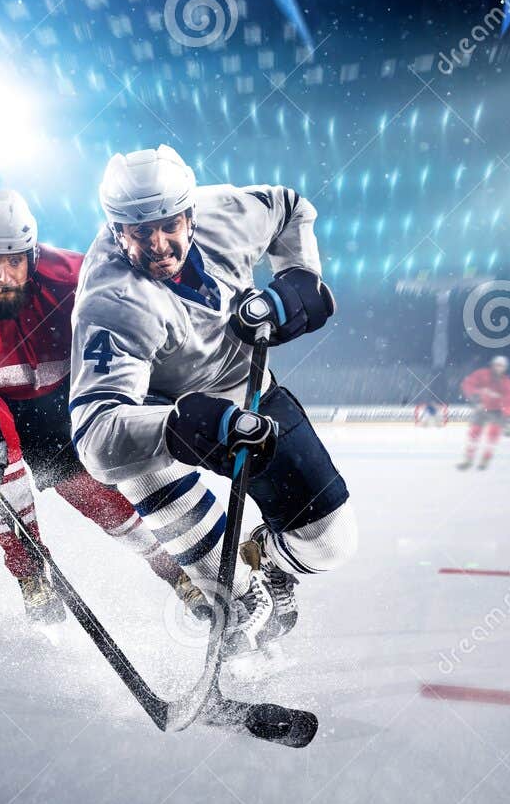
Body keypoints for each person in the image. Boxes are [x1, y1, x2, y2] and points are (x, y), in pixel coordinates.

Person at [68, 145, 357, 652]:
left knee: (332, 544)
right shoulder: (111, 301)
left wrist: (297, 276)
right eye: (140, 232)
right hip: (158, 414)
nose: (158, 245)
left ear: (191, 215)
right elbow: (96, 437)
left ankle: (264, 559)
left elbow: (291, 207)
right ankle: (233, 602)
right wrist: (175, 428)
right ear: (117, 231)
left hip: (246, 388)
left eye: (169, 226)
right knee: (229, 596)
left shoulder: (226, 211)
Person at [0, 189, 195, 626]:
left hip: (41, 384)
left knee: (87, 482)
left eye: (14, 261)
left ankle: (174, 568)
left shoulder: (75, 277)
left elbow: (145, 288)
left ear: (33, 257)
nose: (4, 277)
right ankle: (29, 568)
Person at [457, 355, 510, 470]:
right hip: (481, 408)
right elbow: (468, 384)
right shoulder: (481, 374)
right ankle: (468, 459)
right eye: (497, 365)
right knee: (474, 432)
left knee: (493, 434)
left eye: (501, 366)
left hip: (497, 412)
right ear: (492, 365)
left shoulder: (508, 383)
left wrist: (509, 420)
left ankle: (485, 459)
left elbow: (509, 402)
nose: (498, 368)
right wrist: (476, 398)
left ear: (505, 368)